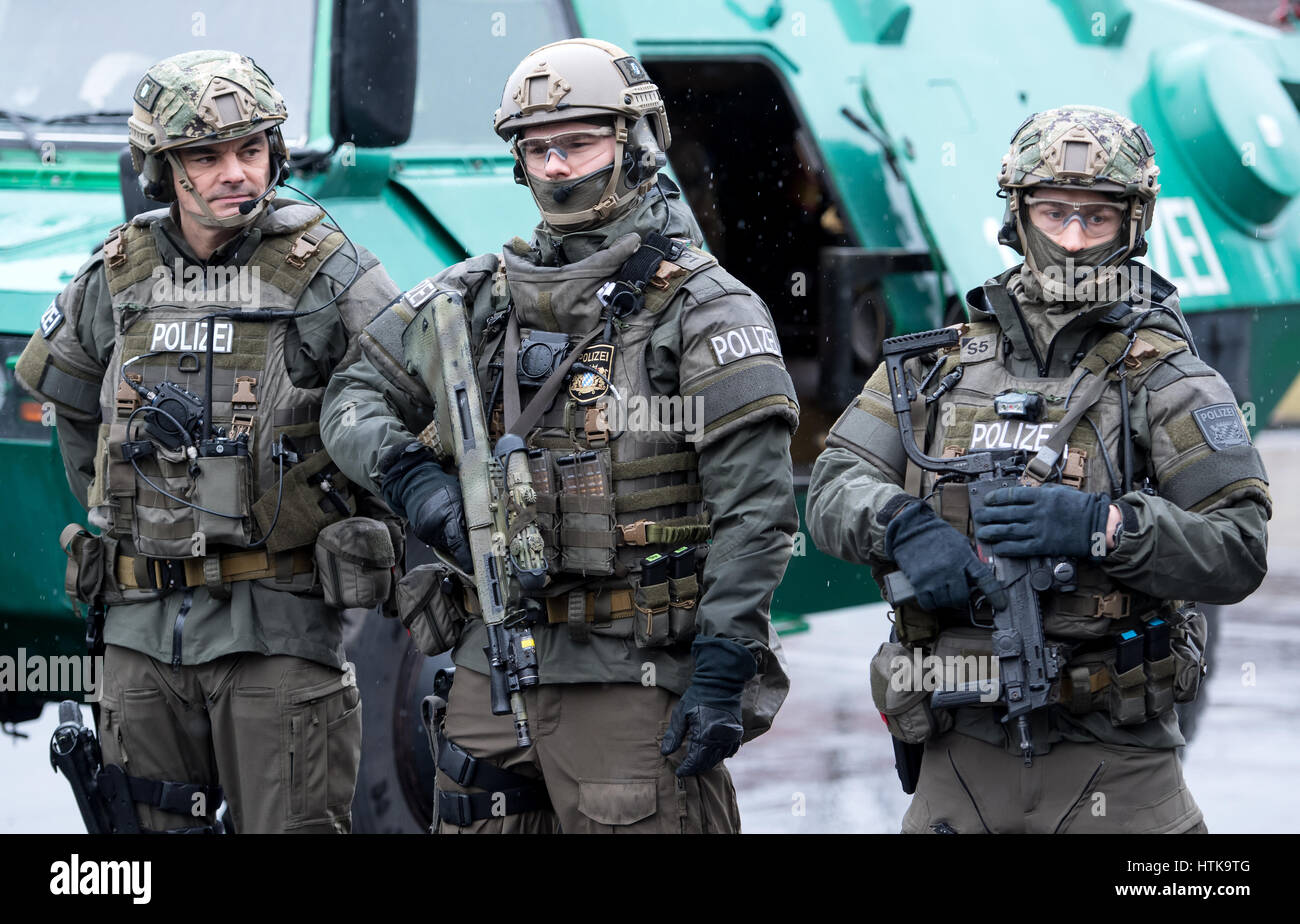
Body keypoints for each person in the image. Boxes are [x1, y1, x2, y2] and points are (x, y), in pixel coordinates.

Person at [321, 38, 798, 833]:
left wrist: (723, 666)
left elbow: (758, 513)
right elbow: (351, 401)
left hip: (633, 677)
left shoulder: (707, 308)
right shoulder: (472, 295)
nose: (555, 167)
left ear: (637, 143)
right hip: (492, 670)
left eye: (577, 143)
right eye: (536, 148)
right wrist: (415, 483)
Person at [806, 105, 1270, 834]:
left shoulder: (1168, 379)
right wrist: (903, 526)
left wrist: (1104, 526)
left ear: (1134, 223)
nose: (1073, 241)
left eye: (1097, 219)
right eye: (1053, 214)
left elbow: (1238, 551)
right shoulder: (936, 365)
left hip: (1112, 758)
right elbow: (834, 484)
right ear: (1017, 216)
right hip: (956, 752)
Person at [16, 50, 401, 833]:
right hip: (139, 634)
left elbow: (411, 411)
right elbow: (69, 403)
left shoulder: (330, 275)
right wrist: (125, 515)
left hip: (277, 633)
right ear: (163, 169)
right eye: (207, 154)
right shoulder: (118, 273)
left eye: (251, 150)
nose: (236, 172)